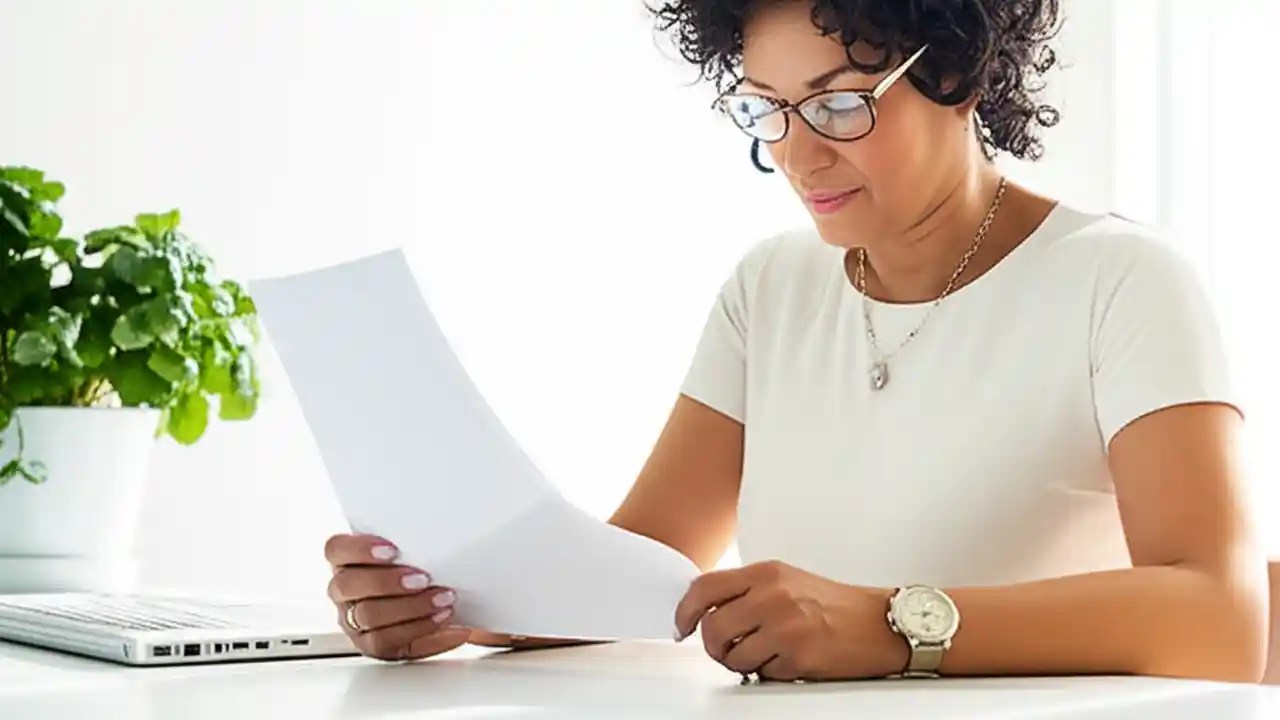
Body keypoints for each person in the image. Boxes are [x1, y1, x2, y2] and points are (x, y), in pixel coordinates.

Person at [323, 0, 1271, 683]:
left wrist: (891, 624)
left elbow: (1223, 620)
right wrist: (458, 605)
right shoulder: (770, 288)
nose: (798, 153)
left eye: (839, 104)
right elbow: (642, 568)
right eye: (767, 108)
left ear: (960, 71)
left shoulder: (1122, 281)